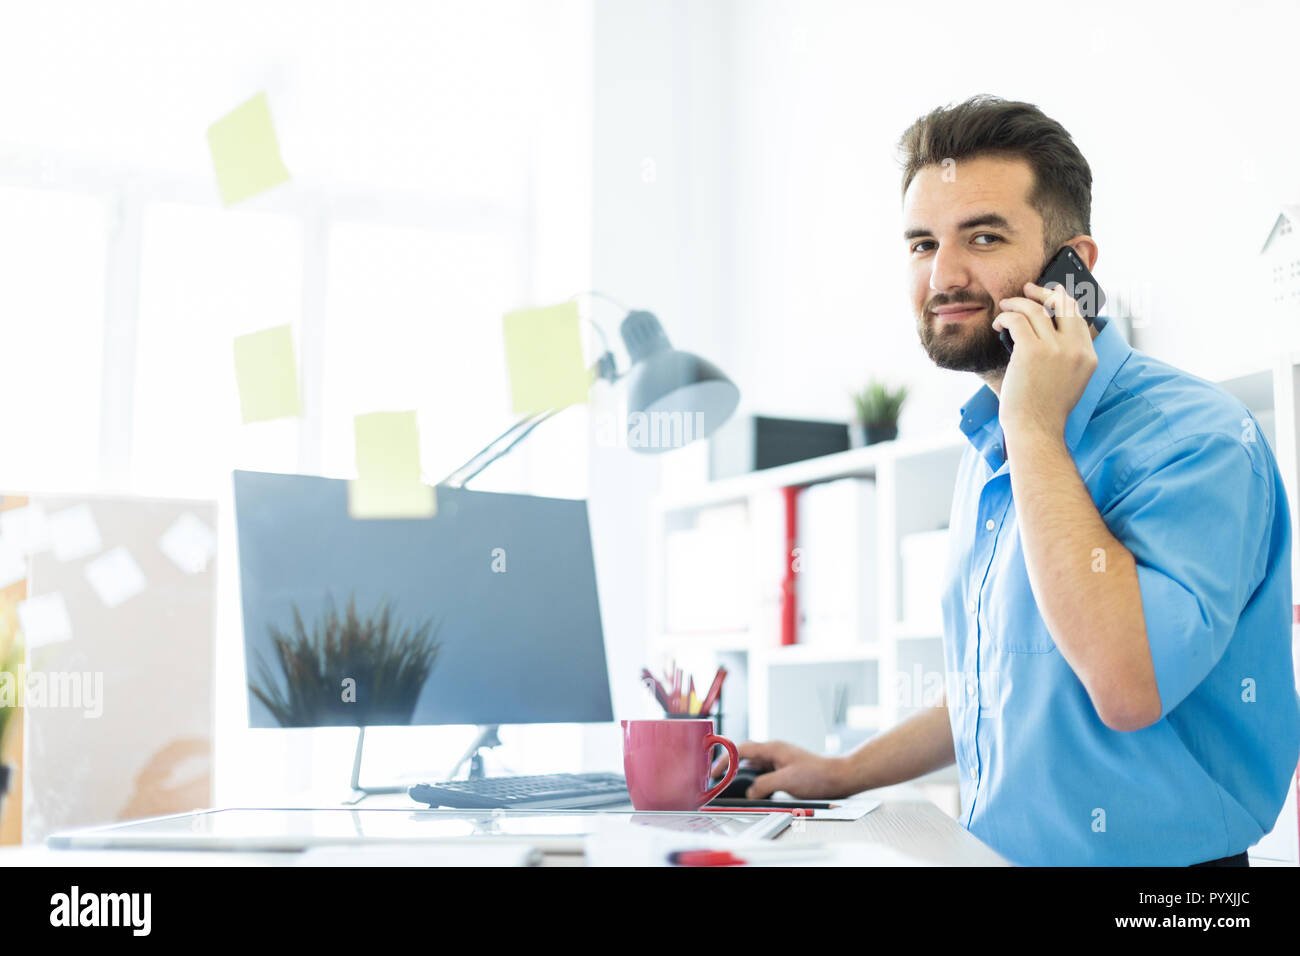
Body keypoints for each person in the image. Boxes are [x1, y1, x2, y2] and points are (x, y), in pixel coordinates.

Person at [715, 95, 1300, 866]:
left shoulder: (1198, 438)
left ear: (1074, 268)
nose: (943, 275)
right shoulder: (992, 443)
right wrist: (843, 771)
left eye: (983, 237)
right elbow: (1003, 688)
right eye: (922, 243)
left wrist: (1032, 428)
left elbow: (1126, 685)